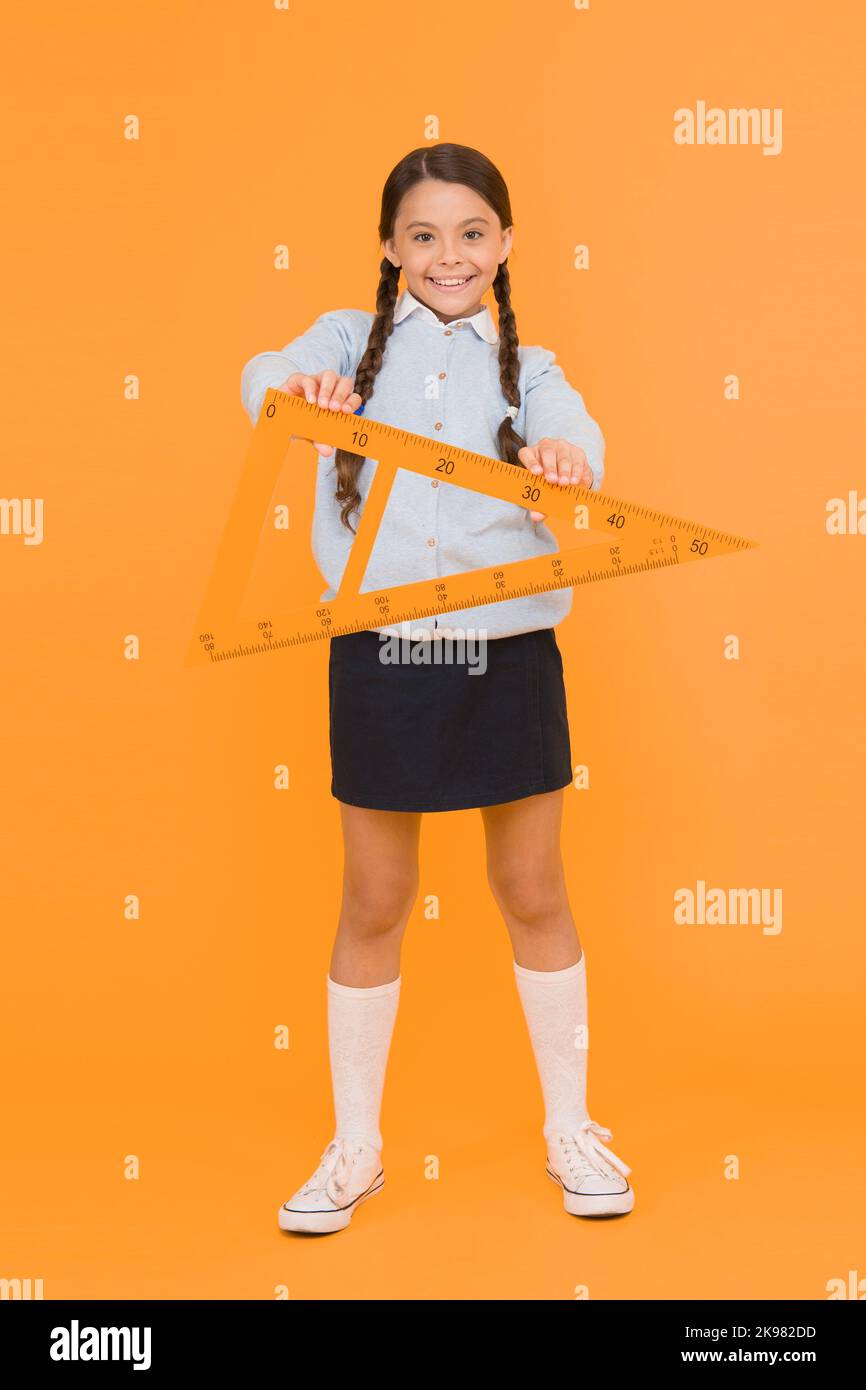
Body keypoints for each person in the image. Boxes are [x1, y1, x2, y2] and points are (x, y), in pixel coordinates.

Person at [240, 143, 634, 1234]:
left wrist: (563, 461)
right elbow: (256, 378)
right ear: (388, 247)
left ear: (503, 244)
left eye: (470, 234)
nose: (447, 255)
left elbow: (578, 436)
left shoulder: (532, 366)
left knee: (533, 889)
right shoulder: (342, 343)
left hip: (508, 655)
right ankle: (355, 1147)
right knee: (372, 898)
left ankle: (570, 1126)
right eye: (422, 234)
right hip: (382, 655)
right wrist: (297, 389)